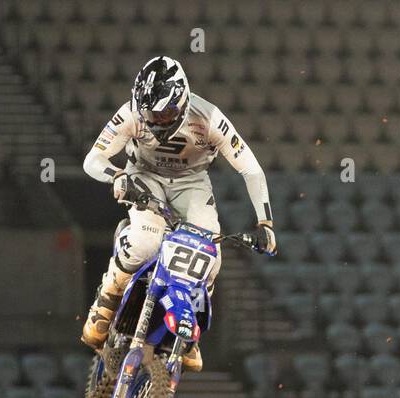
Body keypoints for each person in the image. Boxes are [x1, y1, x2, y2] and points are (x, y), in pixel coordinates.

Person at [78, 56, 277, 370]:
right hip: (144, 176)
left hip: (191, 183)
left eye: (166, 113)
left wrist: (265, 222)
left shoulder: (209, 117)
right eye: (151, 115)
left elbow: (250, 169)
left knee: (210, 257)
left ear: (183, 101)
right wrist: (117, 176)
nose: (157, 121)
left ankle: (190, 330)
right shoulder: (132, 111)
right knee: (146, 242)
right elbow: (94, 159)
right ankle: (108, 296)